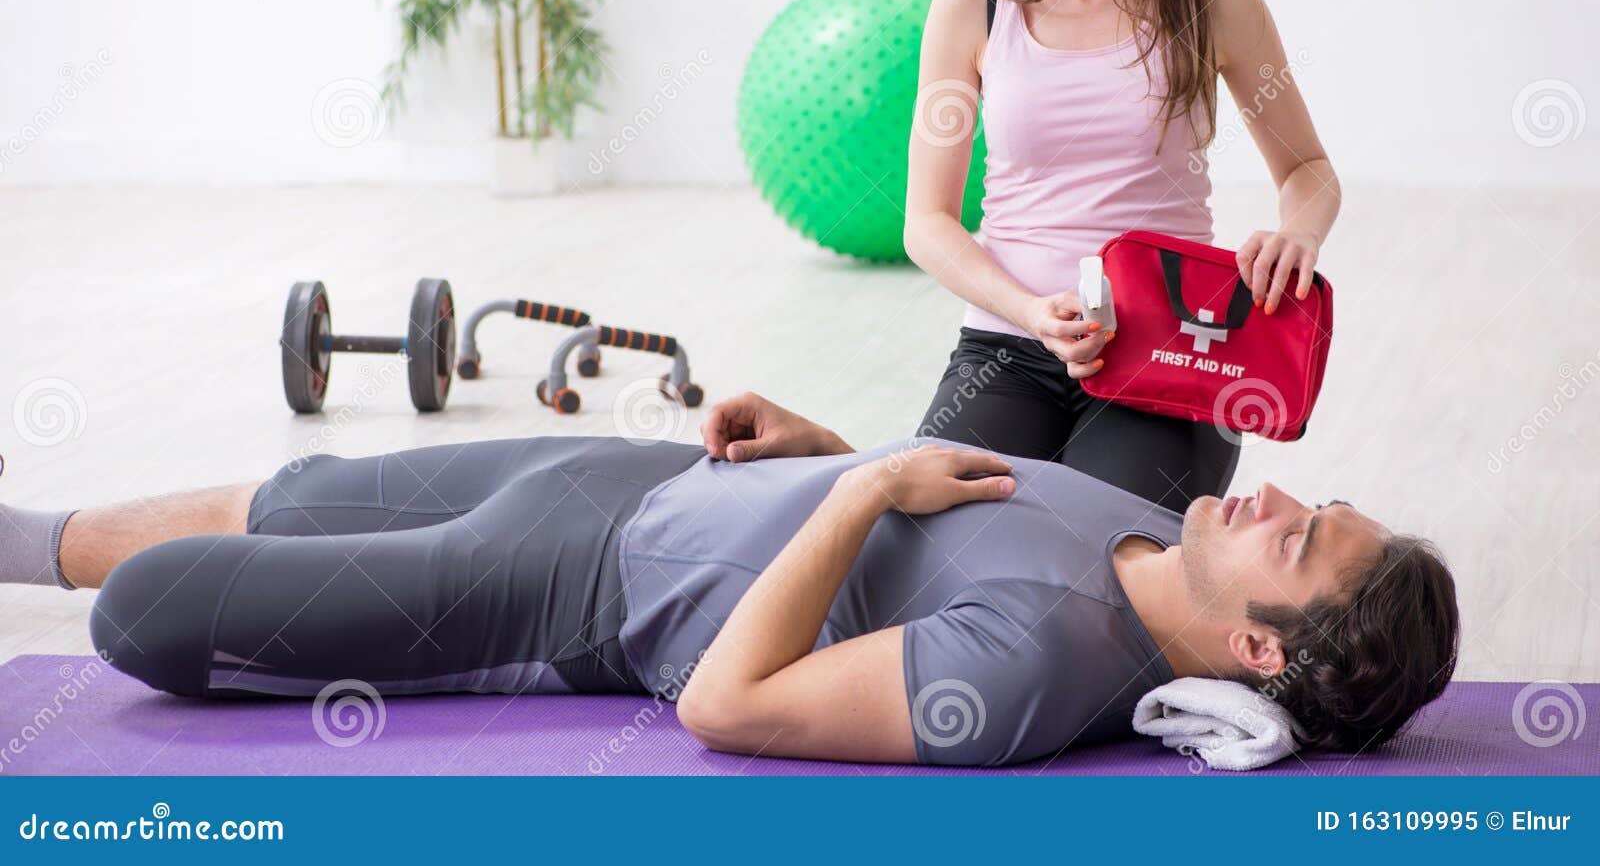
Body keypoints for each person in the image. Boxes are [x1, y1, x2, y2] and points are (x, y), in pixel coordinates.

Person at [2, 393, 1456, 767]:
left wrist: (862, 487)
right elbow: (896, 523)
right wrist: (831, 449)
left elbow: (728, 697)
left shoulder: (1035, 669)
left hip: (564, 592)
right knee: (301, 490)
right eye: (1310, 502)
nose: (1272, 492)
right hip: (641, 473)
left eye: (1297, 536)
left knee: (152, 610)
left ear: (1263, 653)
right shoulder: (1140, 521)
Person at [905, 0, 1340, 512]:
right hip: (1009, 344)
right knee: (935, 542)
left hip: (1175, 345)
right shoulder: (974, 0)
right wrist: (1034, 314)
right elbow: (928, 223)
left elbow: (1308, 171)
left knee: (1101, 556)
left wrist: (1296, 234)